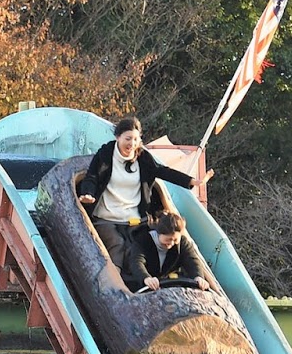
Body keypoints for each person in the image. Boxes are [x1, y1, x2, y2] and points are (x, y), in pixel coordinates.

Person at [75, 116, 199, 271]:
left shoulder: (143, 157)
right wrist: (88, 193)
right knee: (117, 243)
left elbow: (162, 171)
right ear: (118, 137)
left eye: (135, 139)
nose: (132, 144)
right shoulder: (106, 154)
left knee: (143, 243)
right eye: (128, 139)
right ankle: (114, 280)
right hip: (107, 216)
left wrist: (190, 181)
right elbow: (91, 177)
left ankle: (153, 277)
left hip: (134, 217)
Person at [126, 213, 213, 293]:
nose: (171, 244)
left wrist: (198, 276)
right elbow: (136, 261)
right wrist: (146, 278)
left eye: (175, 240)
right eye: (168, 239)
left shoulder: (182, 243)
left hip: (165, 282)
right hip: (141, 283)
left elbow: (192, 260)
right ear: (158, 233)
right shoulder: (142, 240)